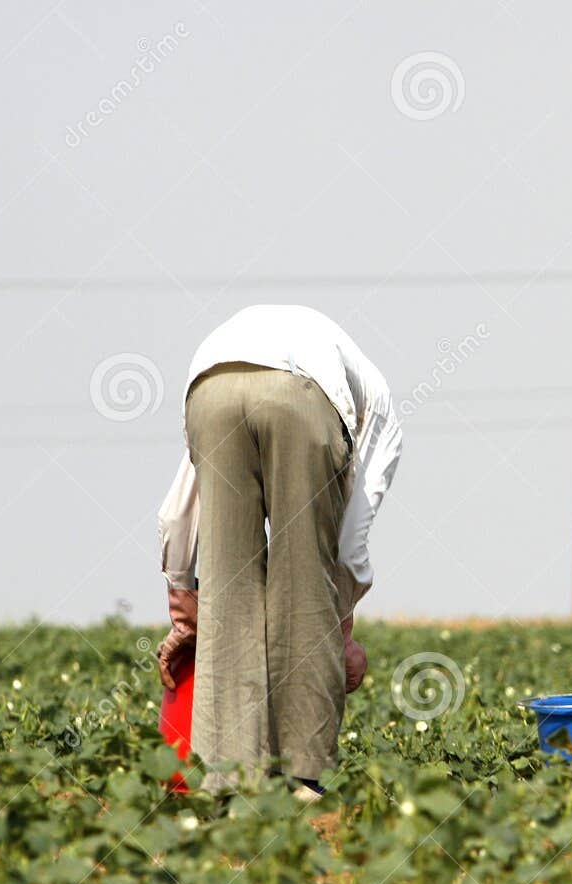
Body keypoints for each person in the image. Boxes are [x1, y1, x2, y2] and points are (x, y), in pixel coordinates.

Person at [155, 305, 402, 795]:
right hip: (302, 394)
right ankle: (301, 778)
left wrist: (185, 610)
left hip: (209, 390)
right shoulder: (381, 413)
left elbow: (178, 513)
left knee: (228, 586)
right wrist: (341, 626)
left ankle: (226, 782)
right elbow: (349, 544)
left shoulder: (233, 353)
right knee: (306, 580)